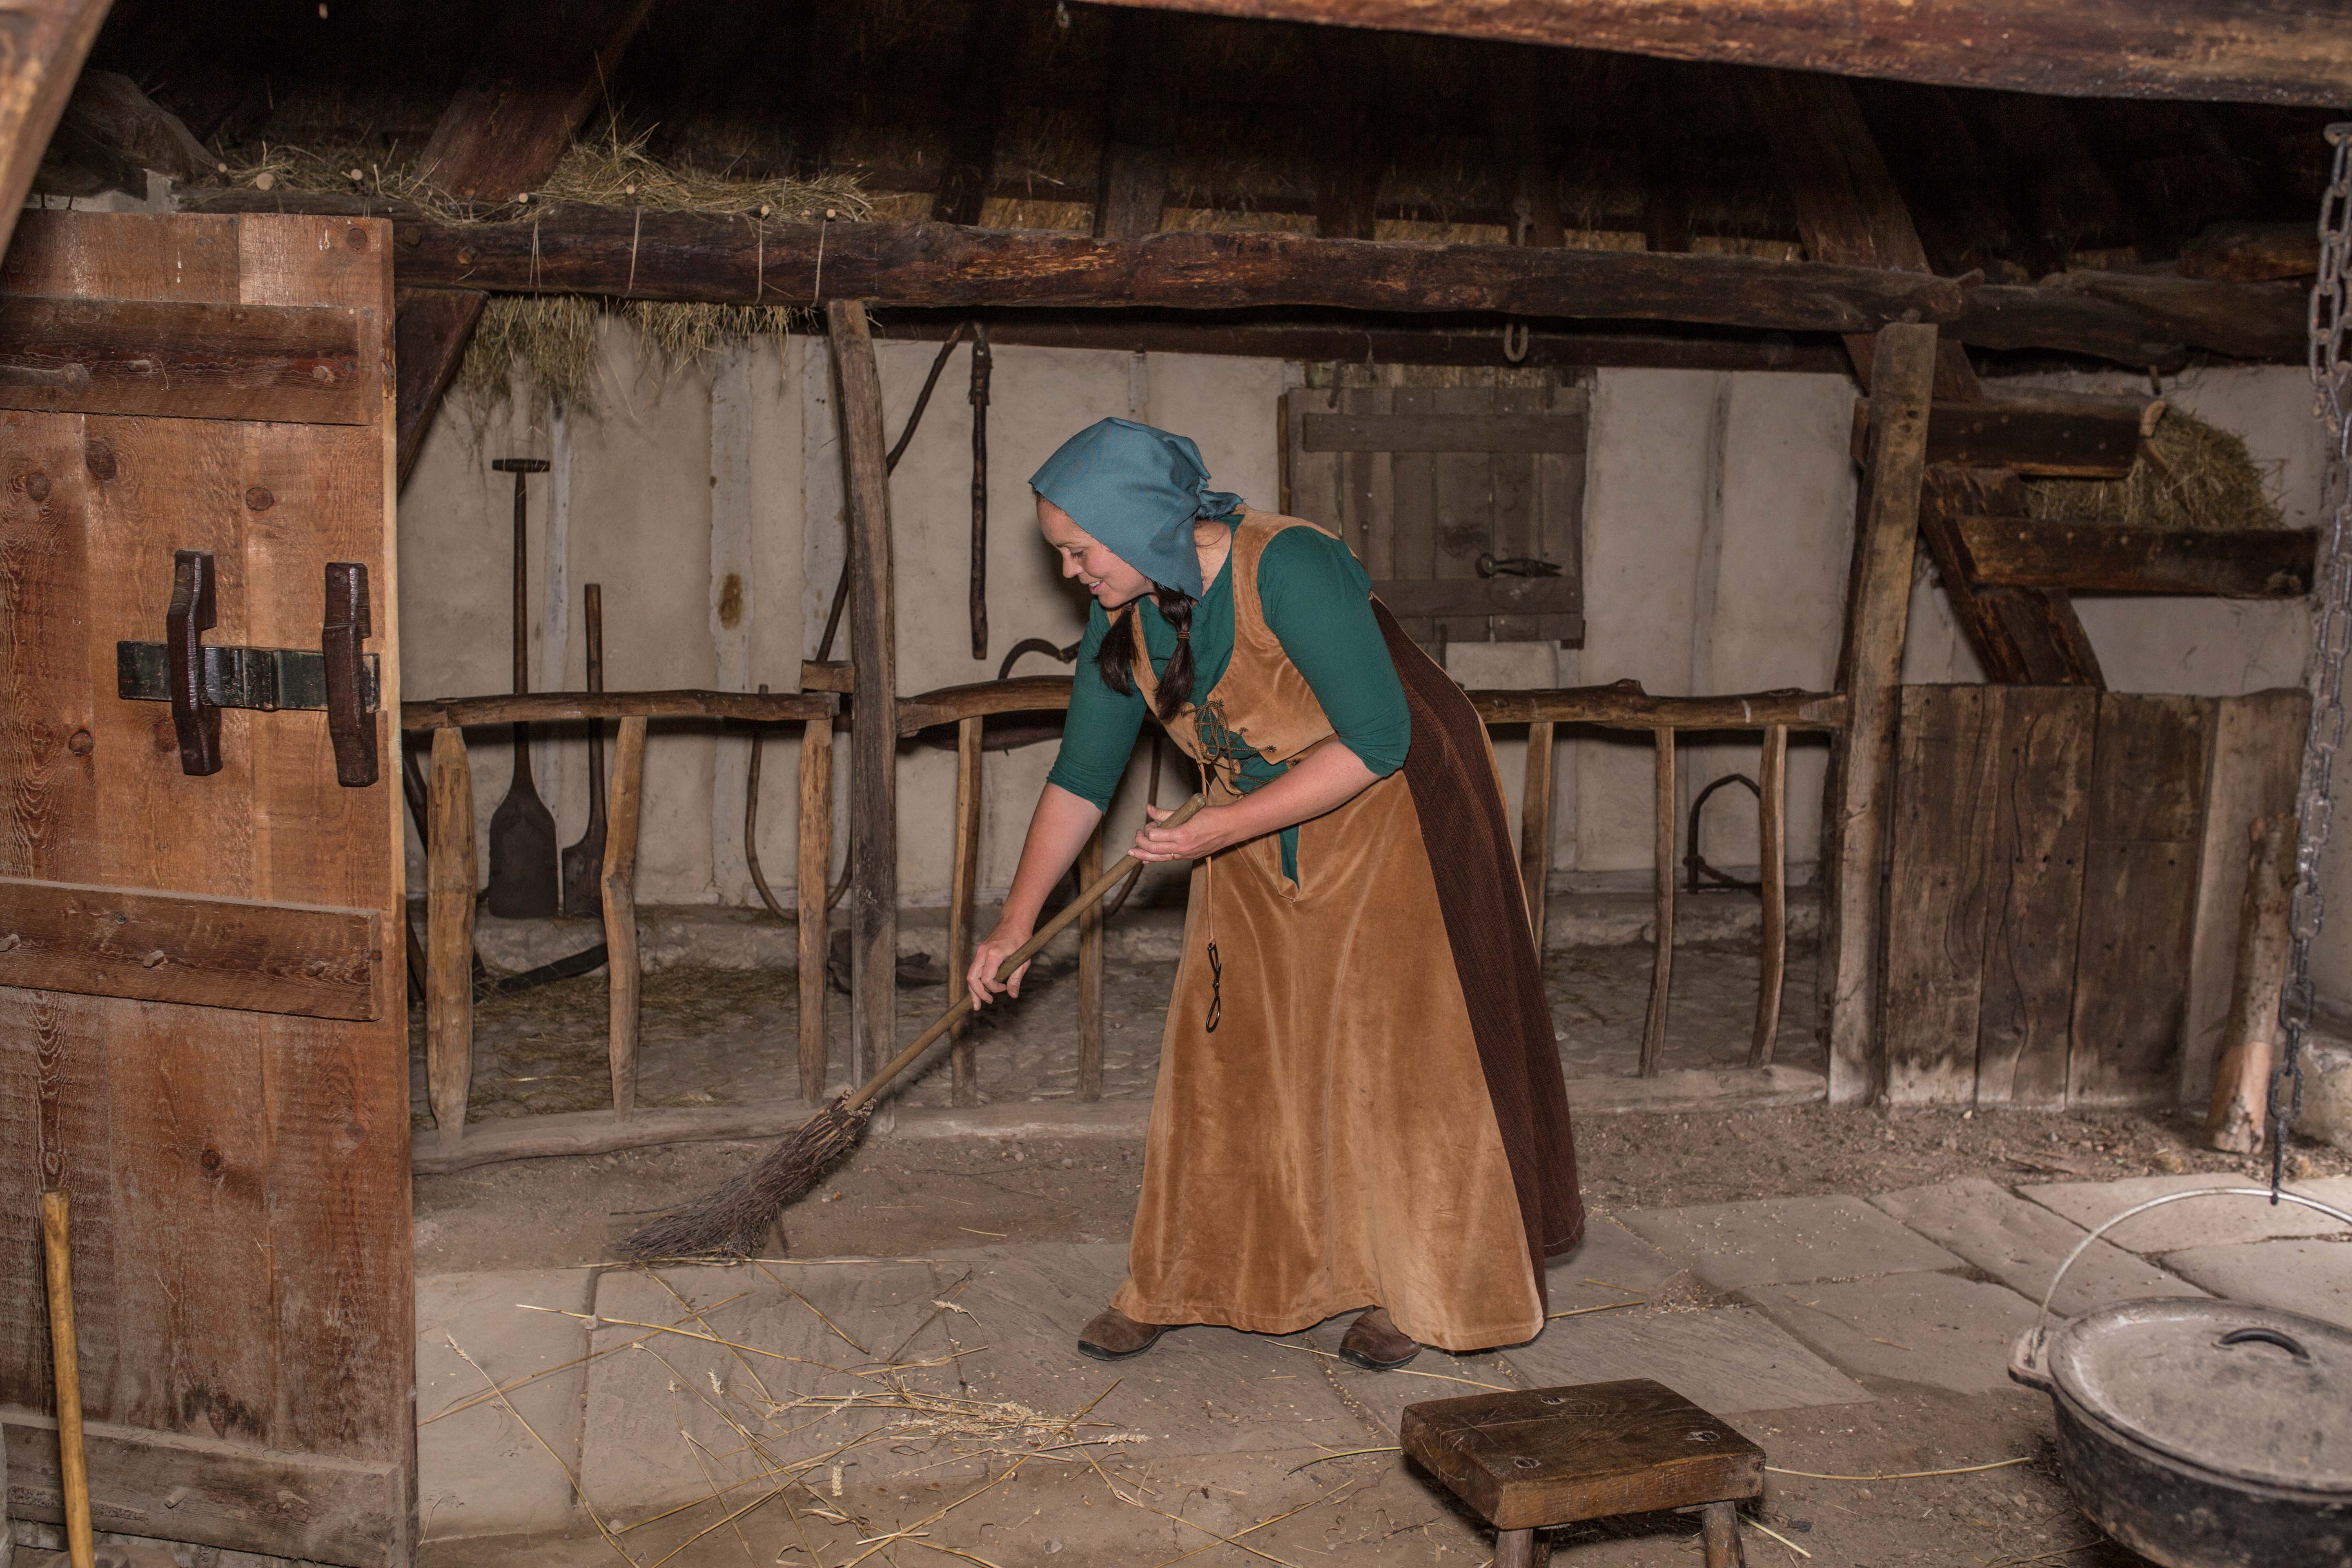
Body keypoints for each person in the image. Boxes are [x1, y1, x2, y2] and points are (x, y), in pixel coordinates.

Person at [966, 417, 1581, 1370]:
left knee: (1397, 1060)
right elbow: (1085, 773)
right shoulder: (1123, 607)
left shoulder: (1289, 565)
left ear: (1138, 525)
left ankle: (1413, 1288)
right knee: (1231, 1054)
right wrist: (1013, 925)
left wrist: (1212, 827)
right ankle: (1194, 1274)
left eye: (1081, 551)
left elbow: (1380, 740)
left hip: (1389, 824)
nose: (1072, 573)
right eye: (1064, 555)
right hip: (1251, 828)